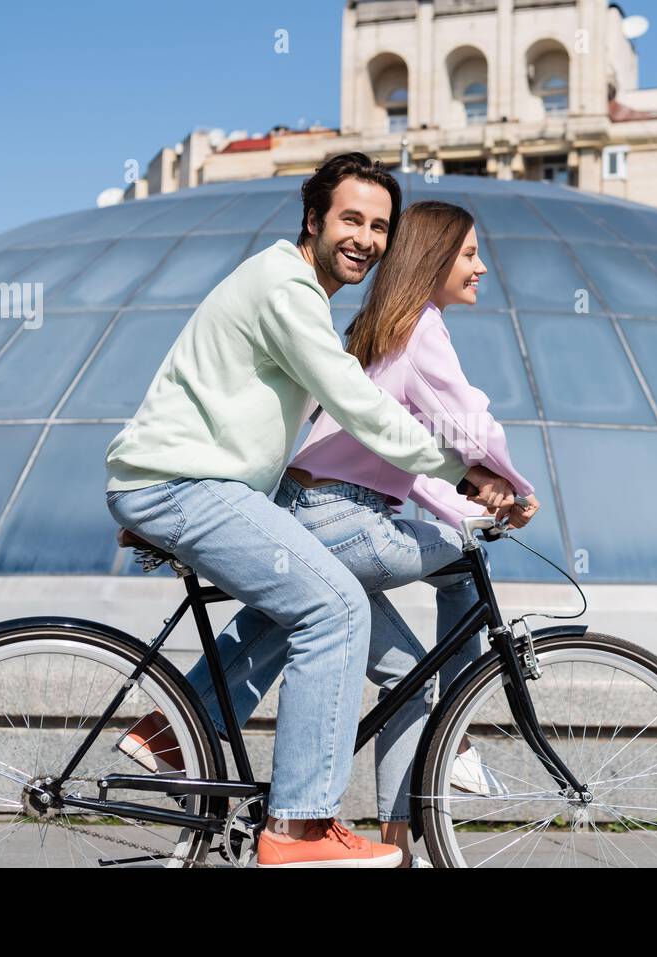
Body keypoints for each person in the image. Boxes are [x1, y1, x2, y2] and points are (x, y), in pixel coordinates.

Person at [104, 153, 517, 868]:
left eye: (379, 226)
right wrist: (464, 472)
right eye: (349, 219)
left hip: (203, 487)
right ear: (312, 220)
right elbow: (361, 407)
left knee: (305, 596)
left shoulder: (304, 296)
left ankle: (175, 730)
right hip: (186, 485)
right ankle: (300, 830)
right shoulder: (286, 288)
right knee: (337, 608)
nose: (364, 237)